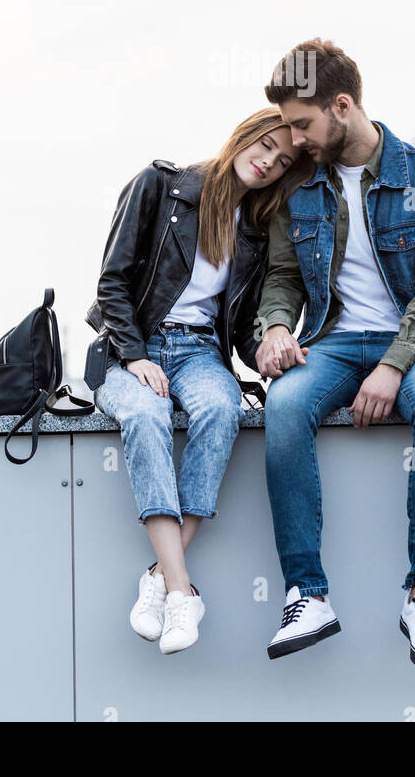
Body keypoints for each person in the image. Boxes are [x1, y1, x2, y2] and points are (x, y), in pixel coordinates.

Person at [254, 39, 415, 671]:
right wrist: (274, 326)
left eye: (303, 123)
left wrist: (393, 366)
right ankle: (307, 593)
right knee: (285, 405)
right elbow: (283, 278)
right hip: (334, 342)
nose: (294, 140)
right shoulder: (300, 187)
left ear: (343, 106)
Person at [84, 109, 313, 655]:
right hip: (129, 349)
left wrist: (274, 350)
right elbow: (111, 282)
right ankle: (184, 591)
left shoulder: (255, 230)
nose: (268, 162)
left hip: (200, 352)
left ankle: (162, 580)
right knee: (145, 414)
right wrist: (136, 356)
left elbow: (243, 328)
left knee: (220, 409)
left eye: (282, 161)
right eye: (265, 145)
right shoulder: (160, 188)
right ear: (245, 133)